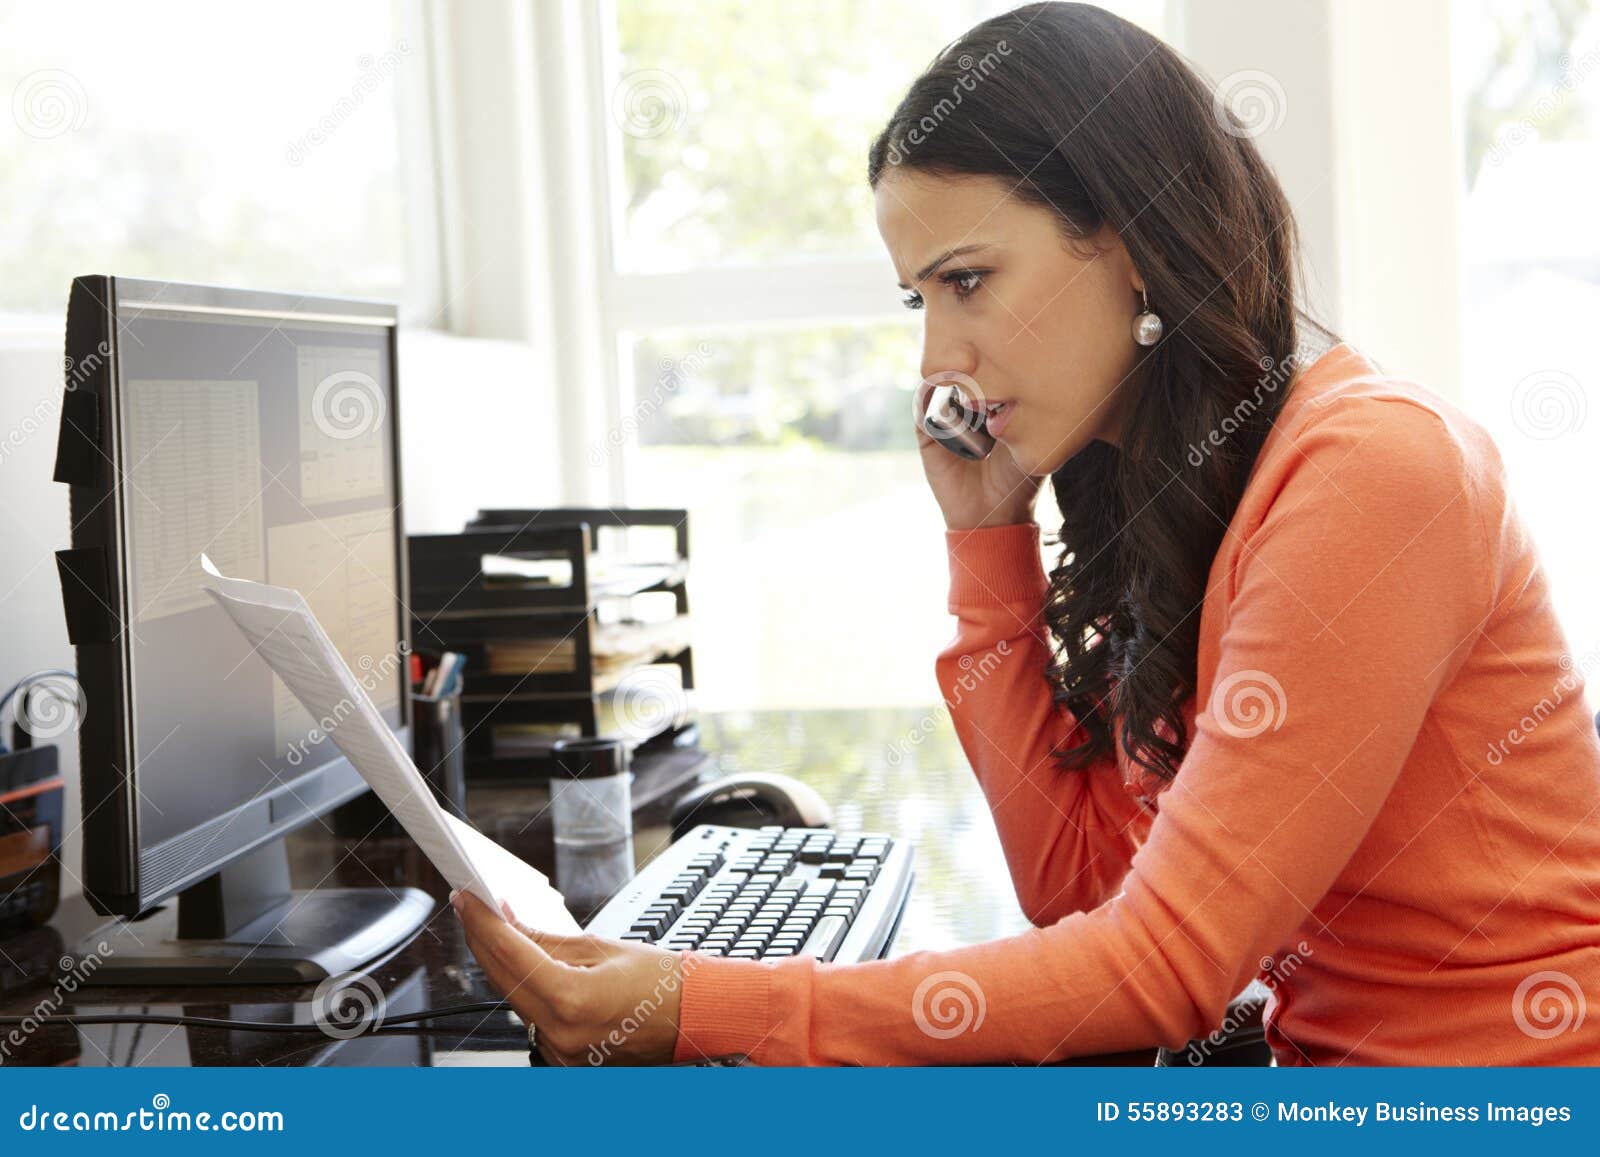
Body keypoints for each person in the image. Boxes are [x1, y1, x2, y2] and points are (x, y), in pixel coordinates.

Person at [456, 1, 1600, 1065]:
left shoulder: (1373, 472)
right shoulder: (1171, 487)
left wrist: (699, 1004)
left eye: (968, 280)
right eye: (920, 298)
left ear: (1136, 242)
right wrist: (986, 542)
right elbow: (1086, 886)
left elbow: (1162, 966)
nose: (934, 360)